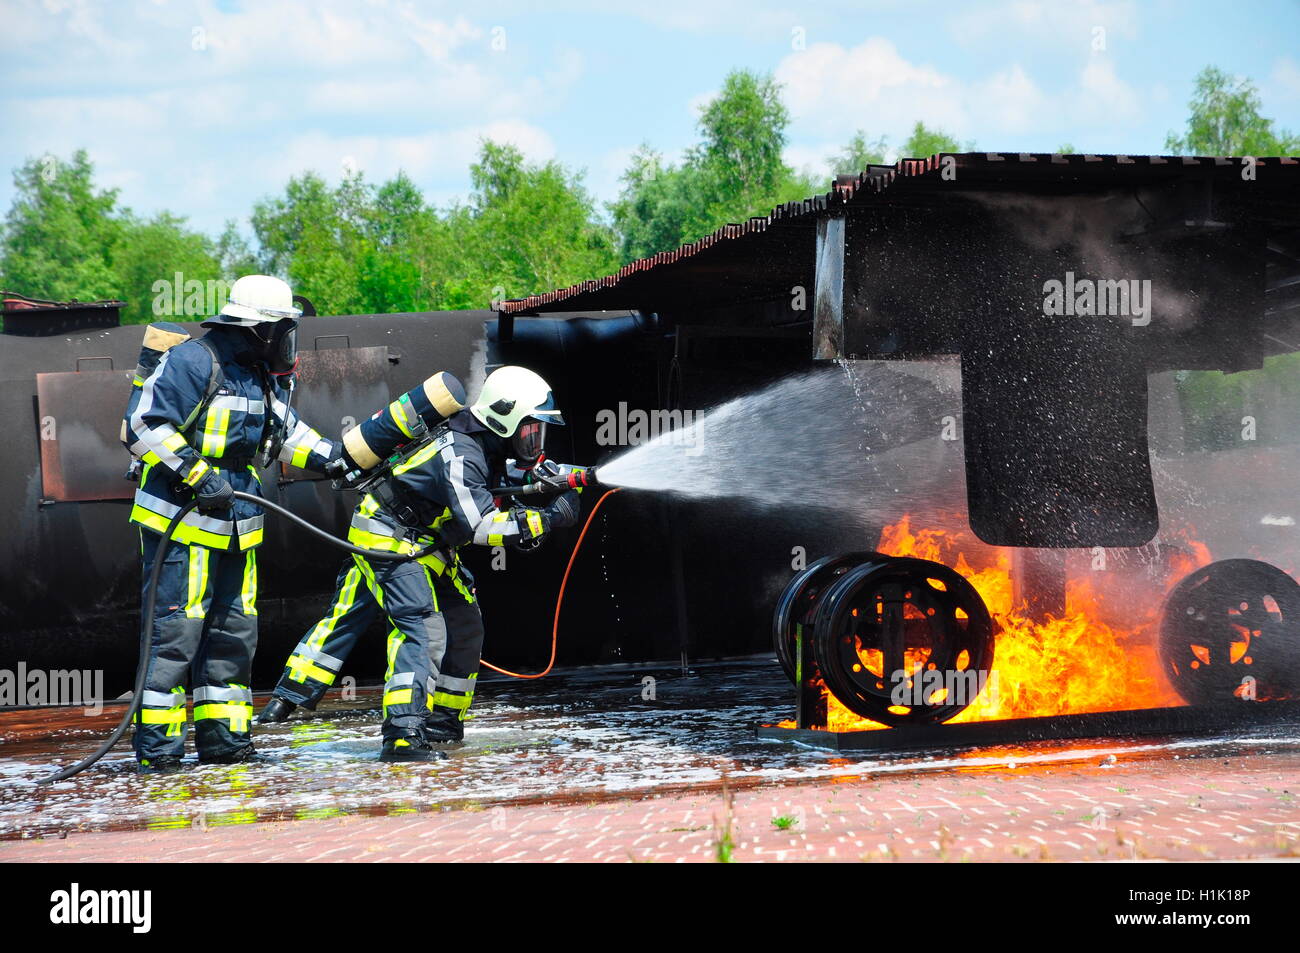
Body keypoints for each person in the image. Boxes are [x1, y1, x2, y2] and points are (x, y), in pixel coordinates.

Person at [256, 366, 580, 761]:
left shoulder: (486, 446)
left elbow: (507, 477)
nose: (534, 442)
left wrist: (566, 479)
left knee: (455, 623)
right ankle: (404, 735)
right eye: (530, 430)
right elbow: (480, 525)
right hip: (388, 538)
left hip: (425, 544)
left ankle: (441, 722)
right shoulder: (461, 452)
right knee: (423, 630)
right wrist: (547, 518)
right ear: (505, 416)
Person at [125, 275, 337, 771]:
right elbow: (143, 424)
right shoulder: (193, 361)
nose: (288, 340)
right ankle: (160, 755)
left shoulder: (257, 374)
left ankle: (226, 744)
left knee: (233, 635)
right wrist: (198, 476)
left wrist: (336, 460)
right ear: (259, 329)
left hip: (239, 525)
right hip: (182, 527)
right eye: (283, 329)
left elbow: (284, 432)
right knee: (177, 635)